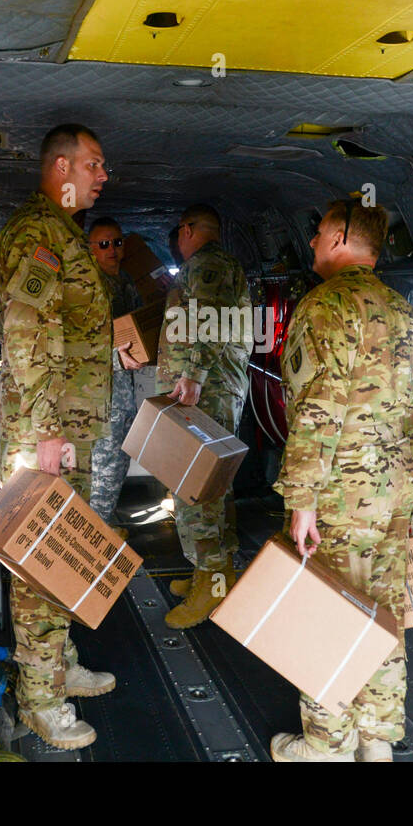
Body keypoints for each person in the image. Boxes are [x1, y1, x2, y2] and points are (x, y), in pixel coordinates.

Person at [269, 199, 413, 762]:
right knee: (384, 614)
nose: (312, 243)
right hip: (394, 495)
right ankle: (377, 740)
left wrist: (303, 499)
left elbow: (318, 410)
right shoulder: (404, 311)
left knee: (329, 612)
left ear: (338, 236)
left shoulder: (324, 307)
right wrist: (409, 485)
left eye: (317, 234)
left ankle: (326, 745)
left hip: (341, 495)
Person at [0, 123, 116, 749]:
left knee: (62, 552)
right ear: (60, 166)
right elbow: (27, 334)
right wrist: (44, 432)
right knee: (40, 562)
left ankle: (59, 665)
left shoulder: (63, 236)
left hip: (70, 430)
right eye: (93, 164)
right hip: (47, 434)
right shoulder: (37, 235)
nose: (102, 176)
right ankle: (40, 699)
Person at [156, 204, 254, 628]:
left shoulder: (208, 264)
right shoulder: (211, 265)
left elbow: (210, 321)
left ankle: (211, 580)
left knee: (196, 487)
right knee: (211, 486)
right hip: (208, 391)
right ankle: (213, 572)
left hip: (206, 392)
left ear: (189, 230)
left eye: (179, 234)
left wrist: (193, 376)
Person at [87, 216, 146, 524]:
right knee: (102, 474)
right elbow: (78, 345)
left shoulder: (124, 282)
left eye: (117, 243)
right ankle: (92, 537)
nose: (112, 250)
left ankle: (100, 530)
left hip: (123, 394)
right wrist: (115, 358)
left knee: (118, 466)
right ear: (90, 250)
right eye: (104, 244)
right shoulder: (87, 287)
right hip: (98, 399)